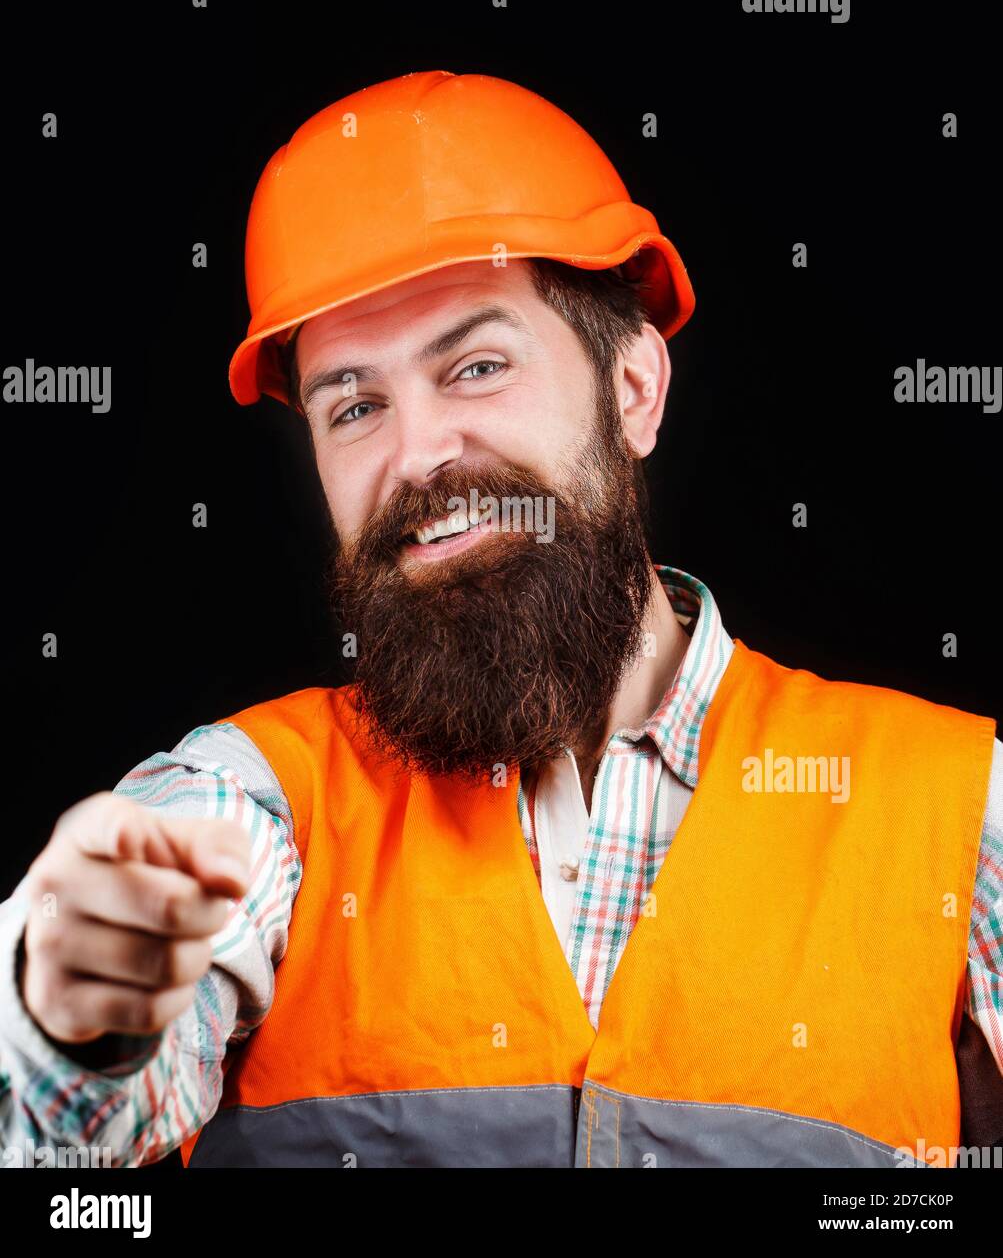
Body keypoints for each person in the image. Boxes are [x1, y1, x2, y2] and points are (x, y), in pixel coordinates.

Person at [1, 72, 1000, 1170]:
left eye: (475, 366)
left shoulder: (955, 808)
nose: (418, 452)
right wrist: (73, 1012)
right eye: (354, 404)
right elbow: (49, 1125)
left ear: (633, 389)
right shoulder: (247, 805)